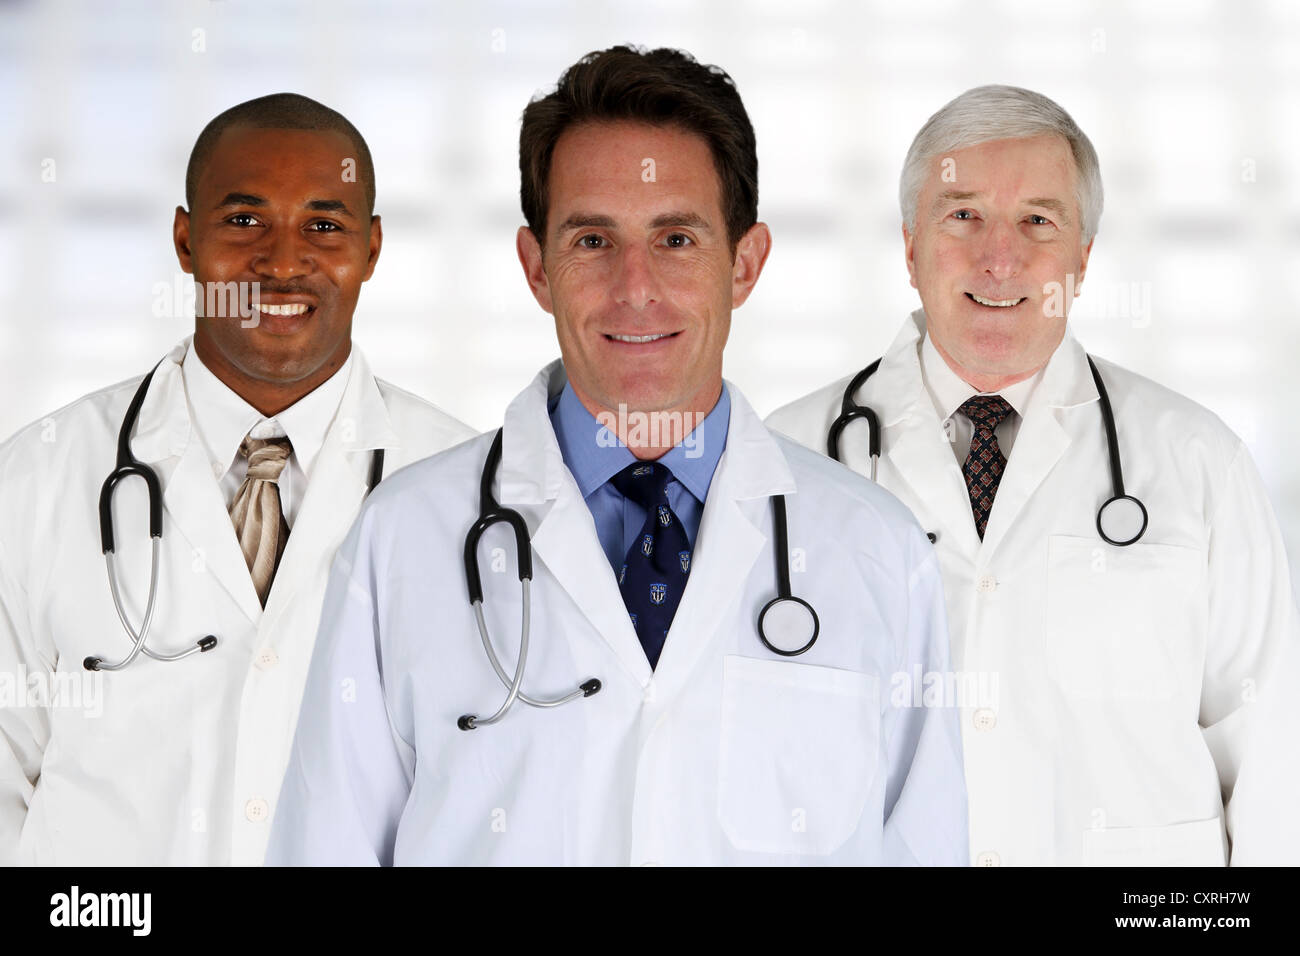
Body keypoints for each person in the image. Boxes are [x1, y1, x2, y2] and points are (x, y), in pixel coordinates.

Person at [267, 46, 968, 866]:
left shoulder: (875, 548)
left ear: (744, 264)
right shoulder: (401, 541)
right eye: (593, 239)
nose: (635, 287)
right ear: (537, 269)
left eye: (675, 237)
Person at [766, 84, 1300, 866]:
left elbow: (1273, 758)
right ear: (910, 244)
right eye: (963, 214)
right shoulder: (788, 459)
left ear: (1082, 256)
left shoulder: (1197, 461)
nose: (1000, 257)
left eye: (1038, 222)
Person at [0, 93, 476, 865]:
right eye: (244, 220)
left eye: (324, 226)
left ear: (373, 249)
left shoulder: (464, 490)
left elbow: (489, 790)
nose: (283, 262)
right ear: (186, 241)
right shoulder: (38, 479)